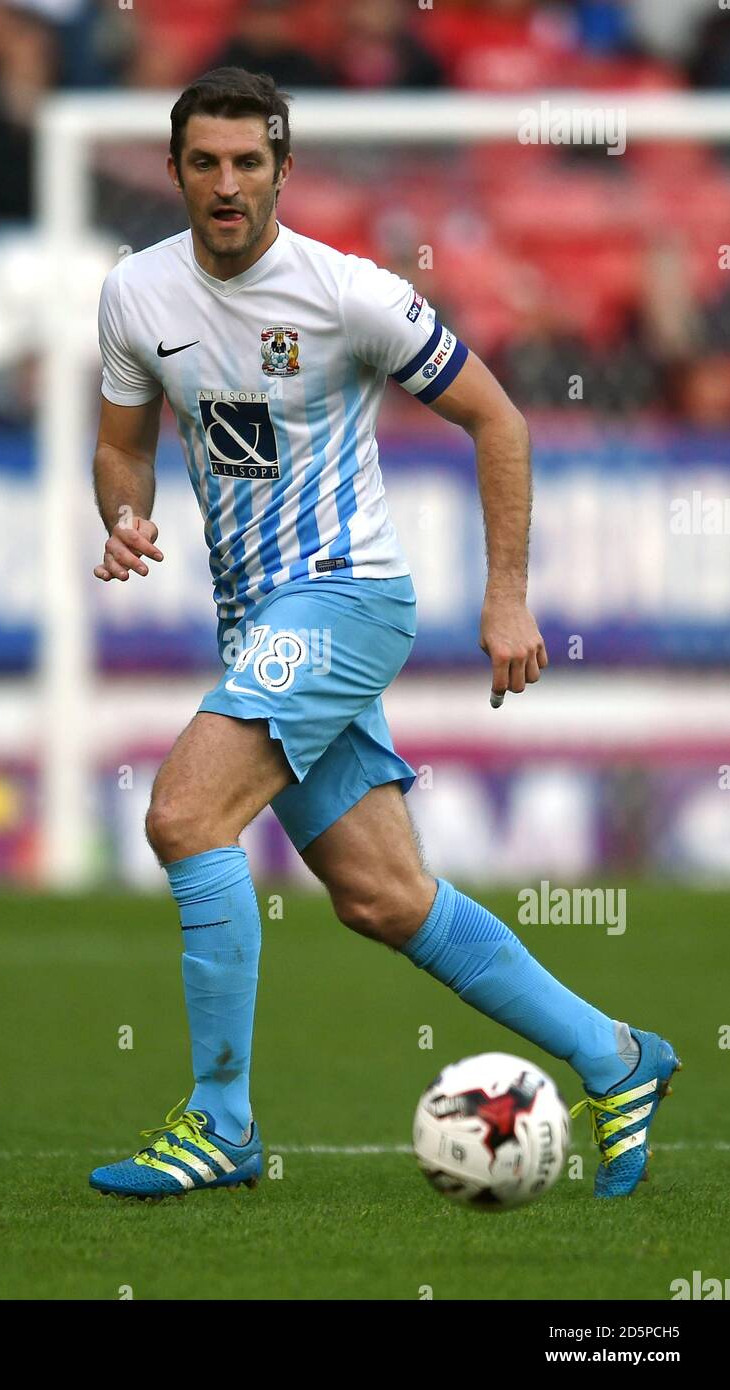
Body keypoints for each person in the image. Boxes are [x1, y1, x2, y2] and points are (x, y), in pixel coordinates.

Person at [88, 67, 679, 1202]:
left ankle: (220, 1120)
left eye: (248, 162)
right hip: (256, 618)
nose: (226, 185)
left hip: (345, 597)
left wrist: (505, 597)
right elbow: (123, 443)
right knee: (382, 895)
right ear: (171, 172)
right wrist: (123, 511)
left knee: (182, 813)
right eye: (204, 163)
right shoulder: (133, 295)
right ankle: (615, 1056)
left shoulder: (348, 294)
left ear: (283, 171)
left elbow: (495, 417)